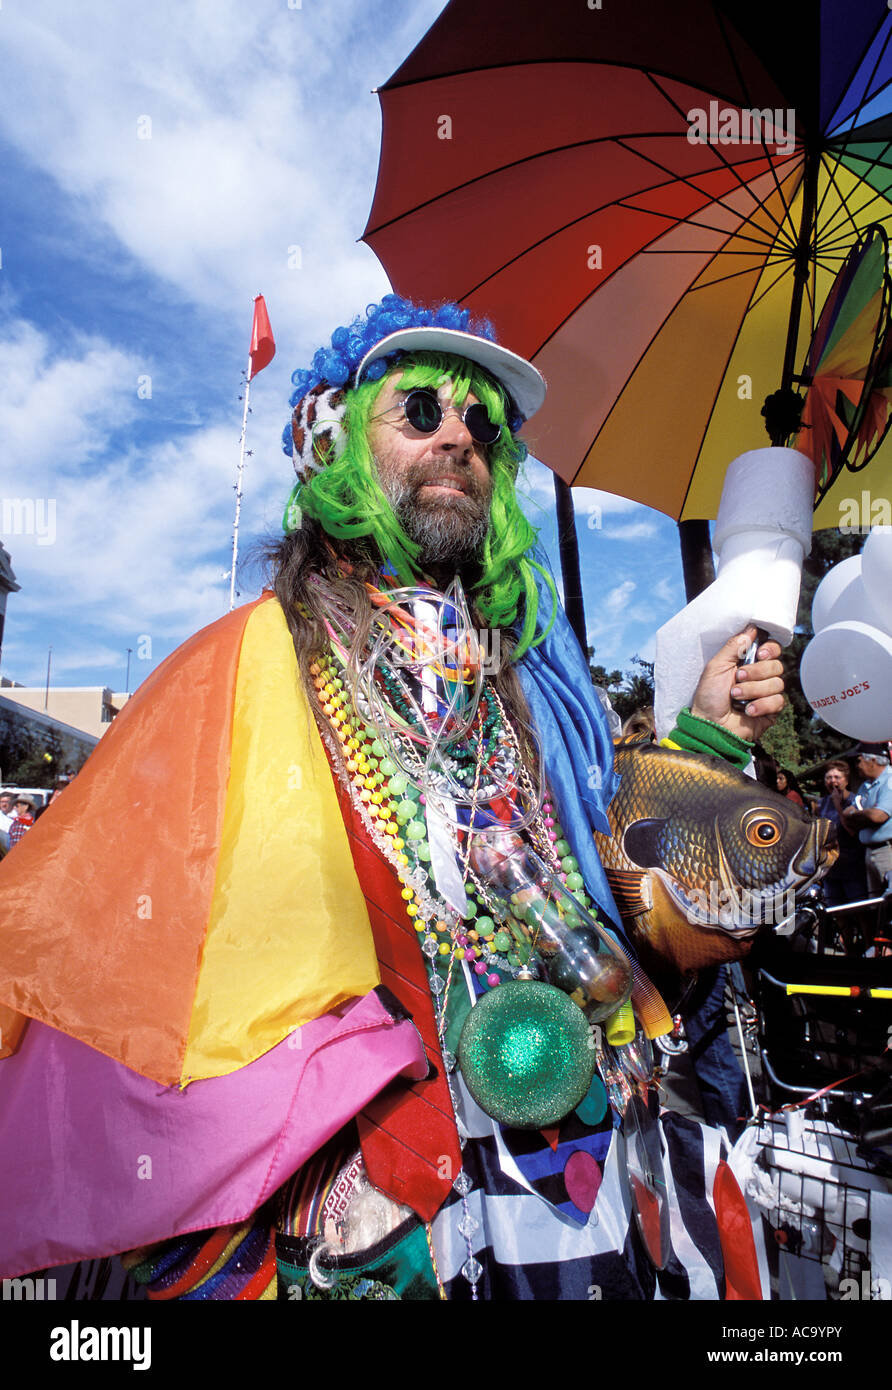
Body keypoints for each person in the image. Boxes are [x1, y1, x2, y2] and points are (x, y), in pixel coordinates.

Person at [0, 296, 787, 1301]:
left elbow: (627, 912)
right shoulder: (244, 668)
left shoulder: (531, 684)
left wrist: (711, 738)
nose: (459, 435)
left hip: (566, 1174)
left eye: (482, 424)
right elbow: (122, 968)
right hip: (370, 1206)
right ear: (332, 440)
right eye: (420, 410)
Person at [815, 760, 867, 912]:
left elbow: (852, 831)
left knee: (859, 909)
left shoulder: (855, 801)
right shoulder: (822, 803)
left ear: (846, 780)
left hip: (852, 865)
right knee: (836, 911)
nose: (833, 781)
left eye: (837, 777)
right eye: (829, 777)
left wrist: (838, 805)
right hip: (831, 867)